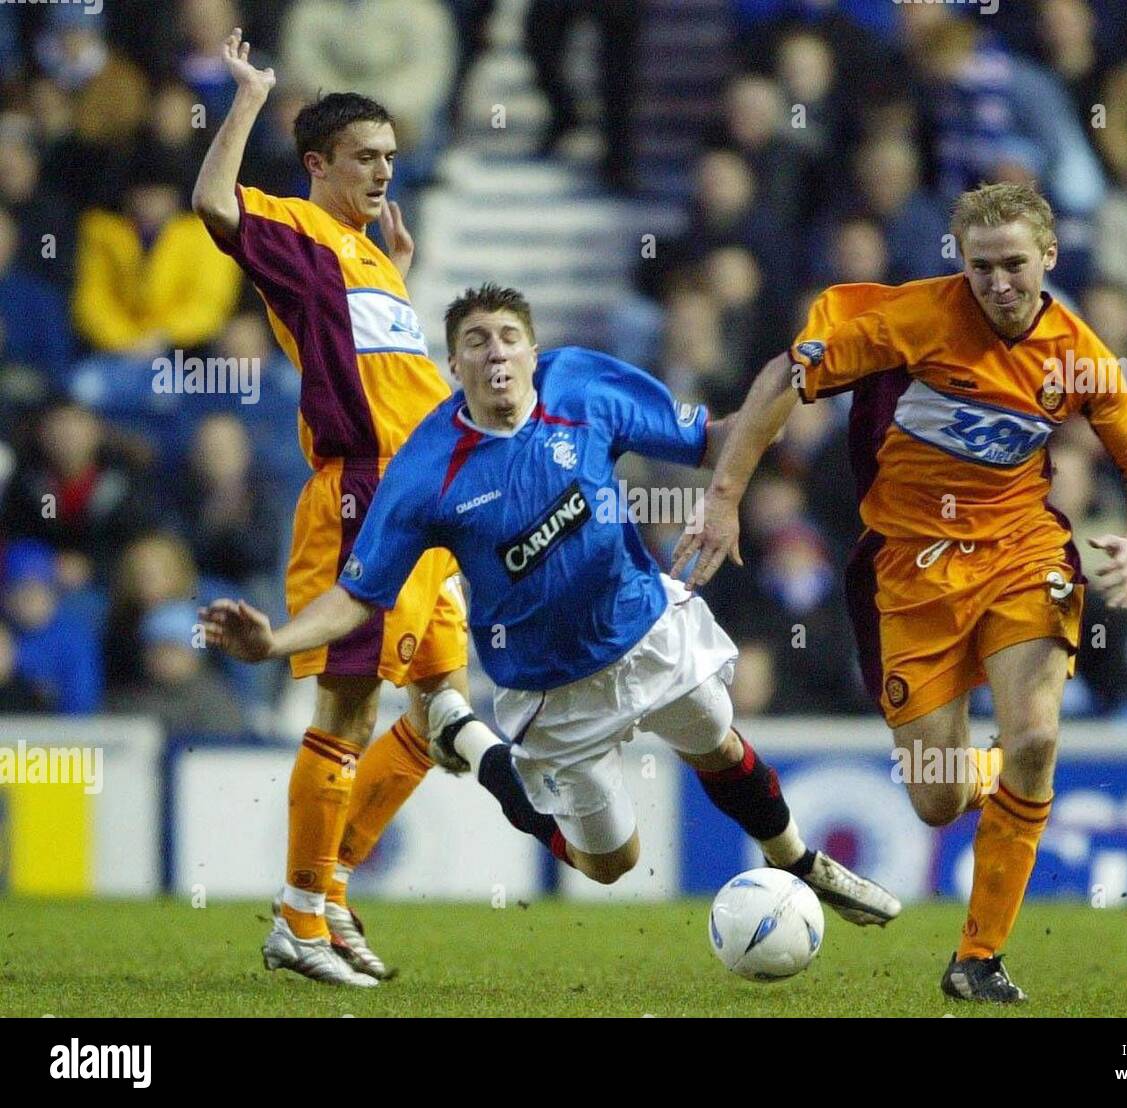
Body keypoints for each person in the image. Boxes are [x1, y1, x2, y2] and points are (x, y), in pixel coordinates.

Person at [201, 282, 901, 931]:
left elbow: (710, 440)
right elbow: (358, 596)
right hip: (549, 686)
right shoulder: (425, 470)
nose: (495, 351)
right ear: (454, 366)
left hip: (645, 626)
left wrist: (786, 385)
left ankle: (799, 861)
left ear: (533, 353)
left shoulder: (584, 384)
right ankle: (468, 740)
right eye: (476, 341)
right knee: (611, 864)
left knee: (717, 740)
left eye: (508, 336)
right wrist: (275, 643)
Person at [675, 182, 1127, 1002]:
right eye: (981, 267)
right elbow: (778, 379)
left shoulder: (1078, 352)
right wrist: (725, 499)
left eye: (1015, 264)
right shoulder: (912, 321)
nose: (1000, 282)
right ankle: (1005, 774)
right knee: (939, 798)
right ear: (961, 264)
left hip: (1022, 552)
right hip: (908, 571)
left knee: (1038, 736)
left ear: (1049, 257)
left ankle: (979, 958)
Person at [190, 29, 537, 988]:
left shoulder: (372, 255)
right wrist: (253, 95)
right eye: (365, 159)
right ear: (318, 167)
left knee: (434, 714)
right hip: (364, 494)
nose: (386, 169)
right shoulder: (298, 233)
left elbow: (381, 359)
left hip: (431, 504)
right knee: (347, 703)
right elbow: (212, 204)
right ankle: (298, 918)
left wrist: (395, 262)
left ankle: (329, 892)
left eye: (391, 155)